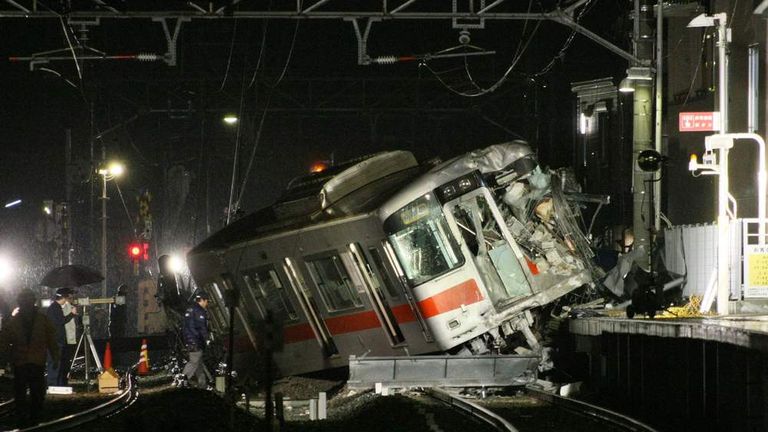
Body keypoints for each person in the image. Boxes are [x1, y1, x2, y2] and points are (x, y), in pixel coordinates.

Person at [0, 289, 59, 427]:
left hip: (20, 362)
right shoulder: (42, 320)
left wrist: (4, 359)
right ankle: (34, 418)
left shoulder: (13, 322)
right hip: (35, 361)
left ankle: (24, 418)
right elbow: (51, 340)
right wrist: (55, 357)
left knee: (21, 392)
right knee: (36, 392)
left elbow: (4, 342)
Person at [45, 287, 78, 387]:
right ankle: (53, 385)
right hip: (55, 341)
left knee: (58, 364)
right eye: (68, 298)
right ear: (64, 298)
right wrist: (72, 314)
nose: (68, 300)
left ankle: (58, 384)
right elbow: (61, 321)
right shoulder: (54, 308)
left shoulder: (55, 307)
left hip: (57, 340)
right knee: (55, 364)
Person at [182, 291, 210, 388]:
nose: (207, 304)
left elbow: (187, 326)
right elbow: (202, 327)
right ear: (202, 300)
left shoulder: (190, 309)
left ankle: (202, 385)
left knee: (199, 364)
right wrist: (206, 339)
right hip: (195, 341)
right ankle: (182, 380)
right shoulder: (199, 311)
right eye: (206, 301)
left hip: (189, 340)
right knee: (194, 361)